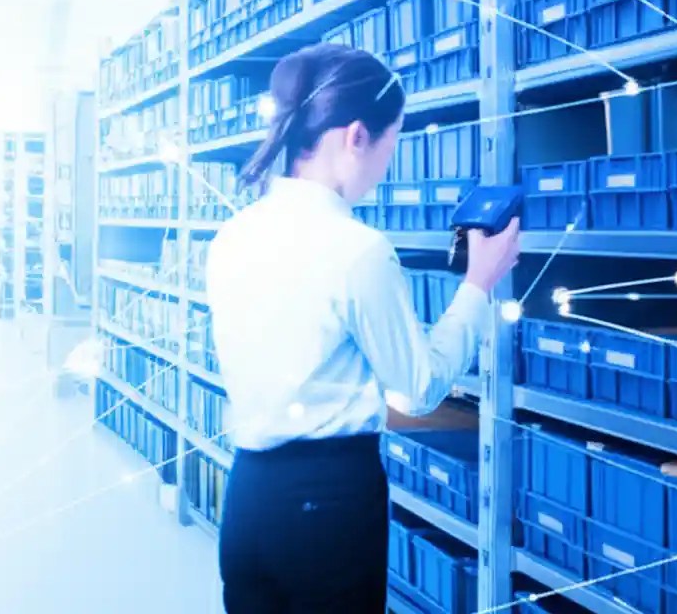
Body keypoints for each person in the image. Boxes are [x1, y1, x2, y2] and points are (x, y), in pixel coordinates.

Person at [205, 43, 520, 613]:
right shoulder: (357, 250)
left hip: (249, 499)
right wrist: (478, 284)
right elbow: (420, 387)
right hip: (328, 507)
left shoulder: (232, 236)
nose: (388, 162)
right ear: (356, 136)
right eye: (392, 140)